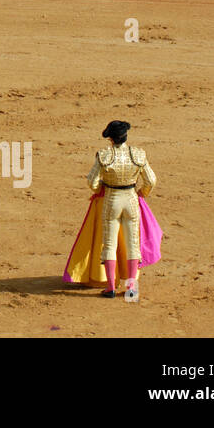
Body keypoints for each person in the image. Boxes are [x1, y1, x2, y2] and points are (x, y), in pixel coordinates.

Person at [64, 121, 160, 298]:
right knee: (133, 244)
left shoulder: (104, 155)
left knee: (109, 244)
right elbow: (151, 180)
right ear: (126, 137)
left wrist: (100, 188)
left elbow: (91, 182)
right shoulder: (137, 154)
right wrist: (141, 193)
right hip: (131, 200)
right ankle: (131, 289)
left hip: (111, 200)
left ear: (110, 139)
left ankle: (110, 288)